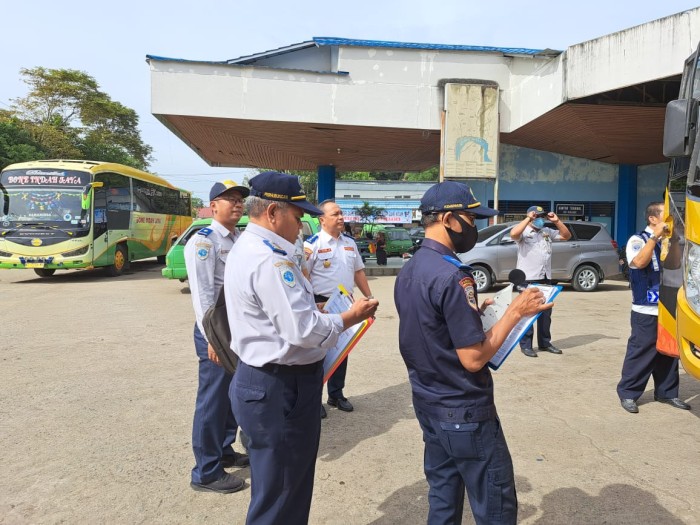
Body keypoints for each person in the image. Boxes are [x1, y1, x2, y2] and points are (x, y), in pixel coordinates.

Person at [224, 171, 378, 525]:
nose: (301, 225)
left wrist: (317, 311)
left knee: (280, 488)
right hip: (280, 386)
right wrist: (346, 318)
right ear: (274, 213)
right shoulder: (271, 259)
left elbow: (282, 316)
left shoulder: (252, 248)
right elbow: (303, 331)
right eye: (298, 217)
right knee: (282, 495)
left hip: (269, 381)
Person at [394, 180, 552, 525]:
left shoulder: (412, 268)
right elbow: (474, 358)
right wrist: (515, 312)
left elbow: (430, 329)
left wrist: (476, 316)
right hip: (463, 409)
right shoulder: (455, 277)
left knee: (443, 498)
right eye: (471, 218)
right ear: (449, 219)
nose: (475, 226)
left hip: (429, 401)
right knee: (494, 504)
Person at [184, 180, 251, 494]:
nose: (237, 205)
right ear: (213, 206)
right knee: (211, 401)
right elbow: (203, 296)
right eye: (230, 200)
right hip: (216, 334)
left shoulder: (238, 238)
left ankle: (224, 449)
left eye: (239, 200)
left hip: (234, 332)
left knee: (228, 397)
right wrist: (212, 339)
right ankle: (206, 471)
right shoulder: (205, 241)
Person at [617, 202, 691, 414]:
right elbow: (639, 263)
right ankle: (629, 393)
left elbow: (675, 264)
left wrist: (675, 239)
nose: (670, 218)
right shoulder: (638, 239)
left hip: (668, 306)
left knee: (669, 352)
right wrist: (654, 238)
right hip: (646, 308)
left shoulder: (669, 241)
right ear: (652, 219)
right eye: (665, 214)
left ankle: (667, 392)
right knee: (641, 351)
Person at [303, 200, 373, 418]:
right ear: (322, 219)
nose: (341, 217)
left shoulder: (350, 243)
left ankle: (336, 393)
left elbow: (358, 272)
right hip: (321, 303)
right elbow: (304, 274)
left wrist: (369, 297)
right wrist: (310, 303)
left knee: (342, 349)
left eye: (342, 213)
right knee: (318, 352)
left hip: (344, 303)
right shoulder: (312, 244)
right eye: (335, 214)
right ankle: (314, 398)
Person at [510, 205, 571, 357]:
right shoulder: (524, 231)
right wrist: (528, 219)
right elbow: (513, 234)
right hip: (527, 278)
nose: (540, 219)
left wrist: (557, 221)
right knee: (528, 313)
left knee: (545, 313)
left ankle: (545, 343)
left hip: (545, 277)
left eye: (542, 216)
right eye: (537, 216)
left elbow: (566, 236)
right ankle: (526, 345)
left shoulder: (546, 232)